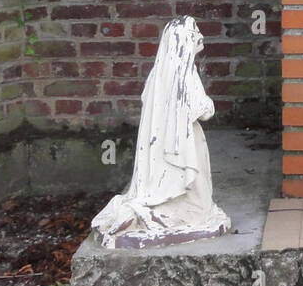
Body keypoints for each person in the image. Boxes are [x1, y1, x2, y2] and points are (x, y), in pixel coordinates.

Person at [92, 16, 230, 247]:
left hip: (161, 147)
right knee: (199, 203)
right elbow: (202, 110)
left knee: (191, 192)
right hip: (184, 144)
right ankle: (159, 214)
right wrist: (209, 104)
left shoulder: (159, 72)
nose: (200, 36)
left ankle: (157, 209)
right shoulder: (184, 74)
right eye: (195, 32)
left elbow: (149, 102)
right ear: (183, 40)